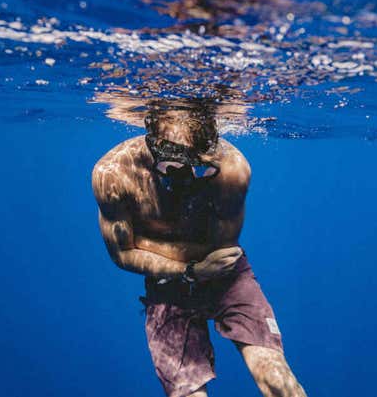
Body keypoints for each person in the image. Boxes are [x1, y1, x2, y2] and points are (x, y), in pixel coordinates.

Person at [91, 103, 307, 397]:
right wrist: (190, 270)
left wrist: (150, 248)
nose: (188, 179)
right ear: (153, 142)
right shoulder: (114, 174)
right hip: (168, 285)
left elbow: (221, 252)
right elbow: (122, 254)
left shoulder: (232, 169)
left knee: (275, 377)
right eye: (175, 166)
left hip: (224, 275)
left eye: (199, 167)